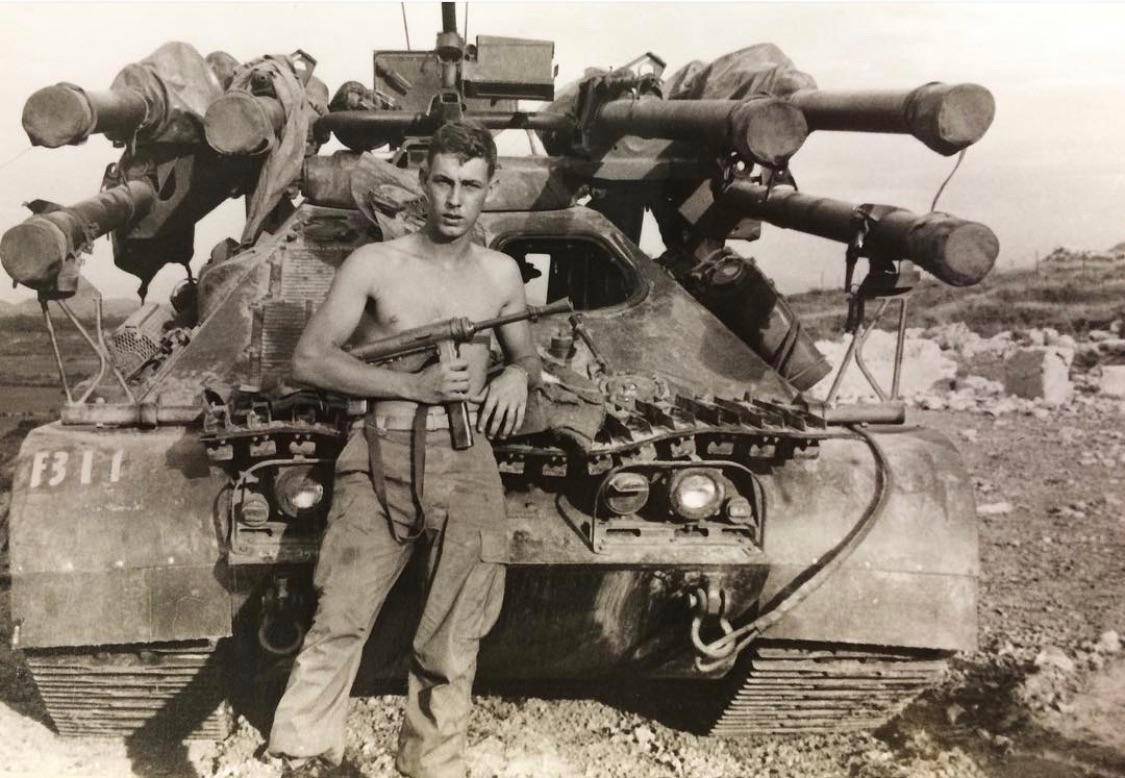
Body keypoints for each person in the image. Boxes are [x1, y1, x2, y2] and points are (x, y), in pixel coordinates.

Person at [268, 121, 541, 778]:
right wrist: (411, 385)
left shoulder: (501, 274)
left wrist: (514, 373)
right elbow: (309, 360)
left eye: (469, 186)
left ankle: (432, 767)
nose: (453, 199)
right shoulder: (375, 264)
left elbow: (525, 352)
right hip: (378, 457)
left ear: (489, 190)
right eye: (443, 181)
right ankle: (303, 757)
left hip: (466, 461)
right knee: (339, 617)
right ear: (422, 181)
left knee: (452, 638)